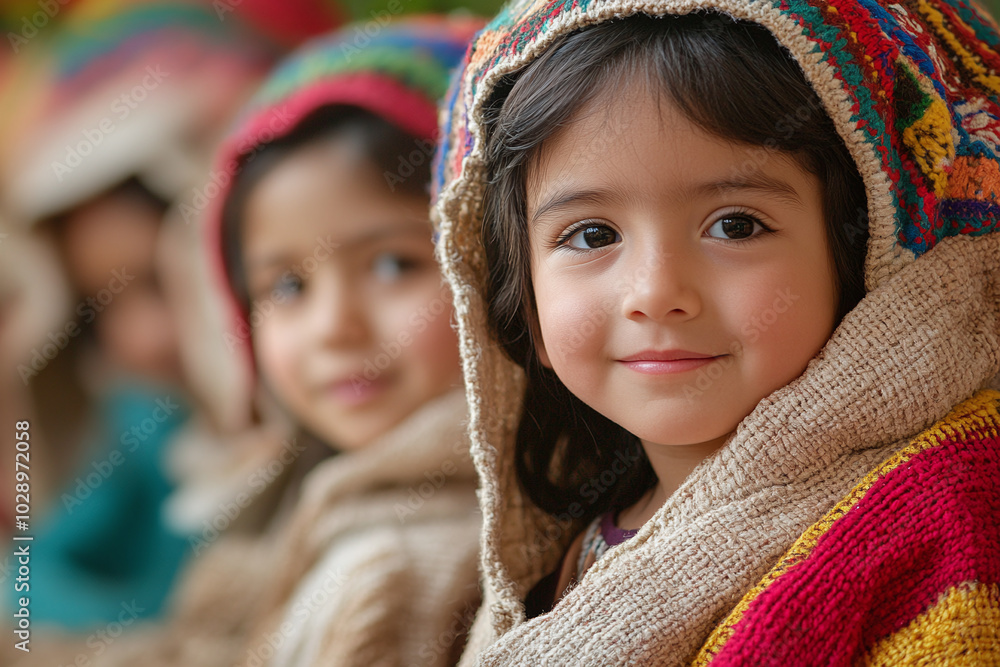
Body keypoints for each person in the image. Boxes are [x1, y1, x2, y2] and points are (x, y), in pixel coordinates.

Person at [431, 3, 1000, 664]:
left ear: (872, 248)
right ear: (522, 300)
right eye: (592, 235)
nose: (656, 293)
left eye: (736, 225)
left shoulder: (948, 518)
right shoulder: (571, 551)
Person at [203, 15, 484, 667]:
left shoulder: (407, 565)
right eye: (289, 286)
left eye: (393, 265)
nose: (335, 326)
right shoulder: (316, 502)